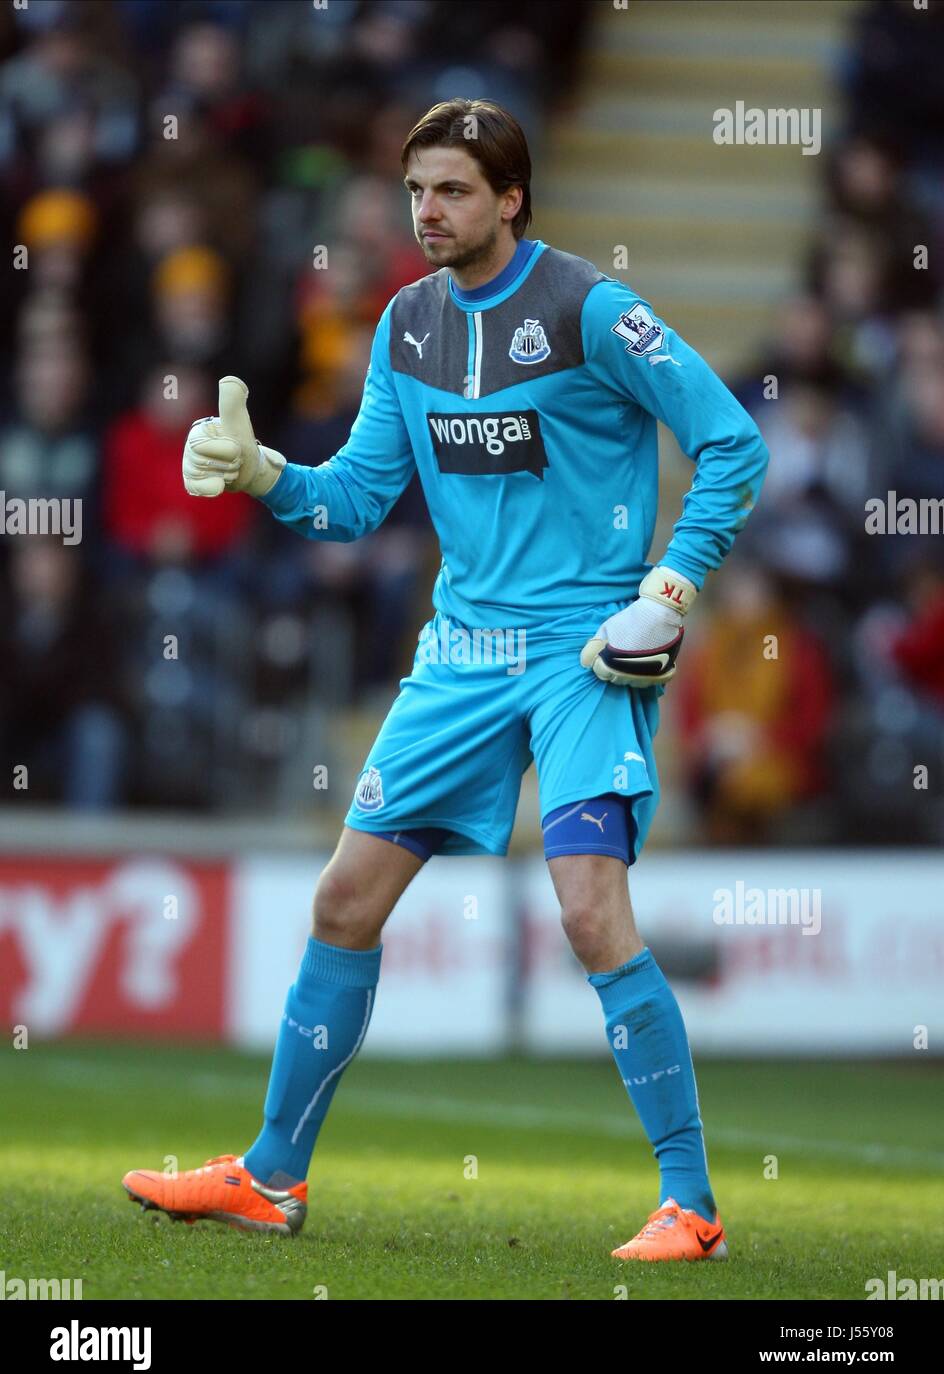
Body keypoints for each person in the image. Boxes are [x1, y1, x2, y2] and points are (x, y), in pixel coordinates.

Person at [122, 99, 769, 1262]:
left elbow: (731, 442)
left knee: (586, 907)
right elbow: (358, 500)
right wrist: (265, 473)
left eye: (455, 190)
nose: (429, 210)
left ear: (510, 197)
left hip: (581, 648)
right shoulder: (402, 327)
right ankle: (270, 1178)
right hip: (462, 650)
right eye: (418, 188)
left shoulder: (589, 309)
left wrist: (667, 590)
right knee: (342, 901)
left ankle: (692, 1205)